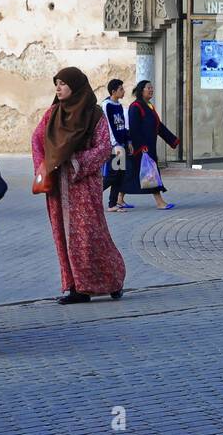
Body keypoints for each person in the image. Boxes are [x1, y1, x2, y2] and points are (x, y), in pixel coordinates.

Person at [34, 67, 125, 305]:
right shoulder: (52, 113)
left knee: (89, 236)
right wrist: (44, 167)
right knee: (62, 237)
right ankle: (76, 287)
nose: (58, 88)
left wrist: (75, 162)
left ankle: (112, 279)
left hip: (83, 185)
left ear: (75, 86)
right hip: (57, 186)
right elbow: (37, 139)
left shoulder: (93, 115)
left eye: (63, 83)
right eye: (57, 83)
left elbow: (103, 147)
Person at [124, 80, 179, 209]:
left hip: (149, 146)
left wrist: (173, 140)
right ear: (141, 90)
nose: (151, 90)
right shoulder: (135, 107)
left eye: (152, 88)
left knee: (132, 175)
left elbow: (158, 126)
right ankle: (160, 202)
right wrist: (141, 146)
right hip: (142, 148)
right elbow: (134, 128)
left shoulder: (149, 106)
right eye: (148, 88)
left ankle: (119, 198)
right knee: (152, 173)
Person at [101, 79, 131, 212]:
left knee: (120, 175)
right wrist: (115, 145)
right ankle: (92, 193)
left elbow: (122, 126)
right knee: (113, 174)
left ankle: (112, 204)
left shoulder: (119, 105)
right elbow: (108, 126)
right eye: (121, 89)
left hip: (121, 145)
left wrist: (128, 141)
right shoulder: (106, 105)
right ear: (113, 91)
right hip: (115, 146)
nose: (123, 91)